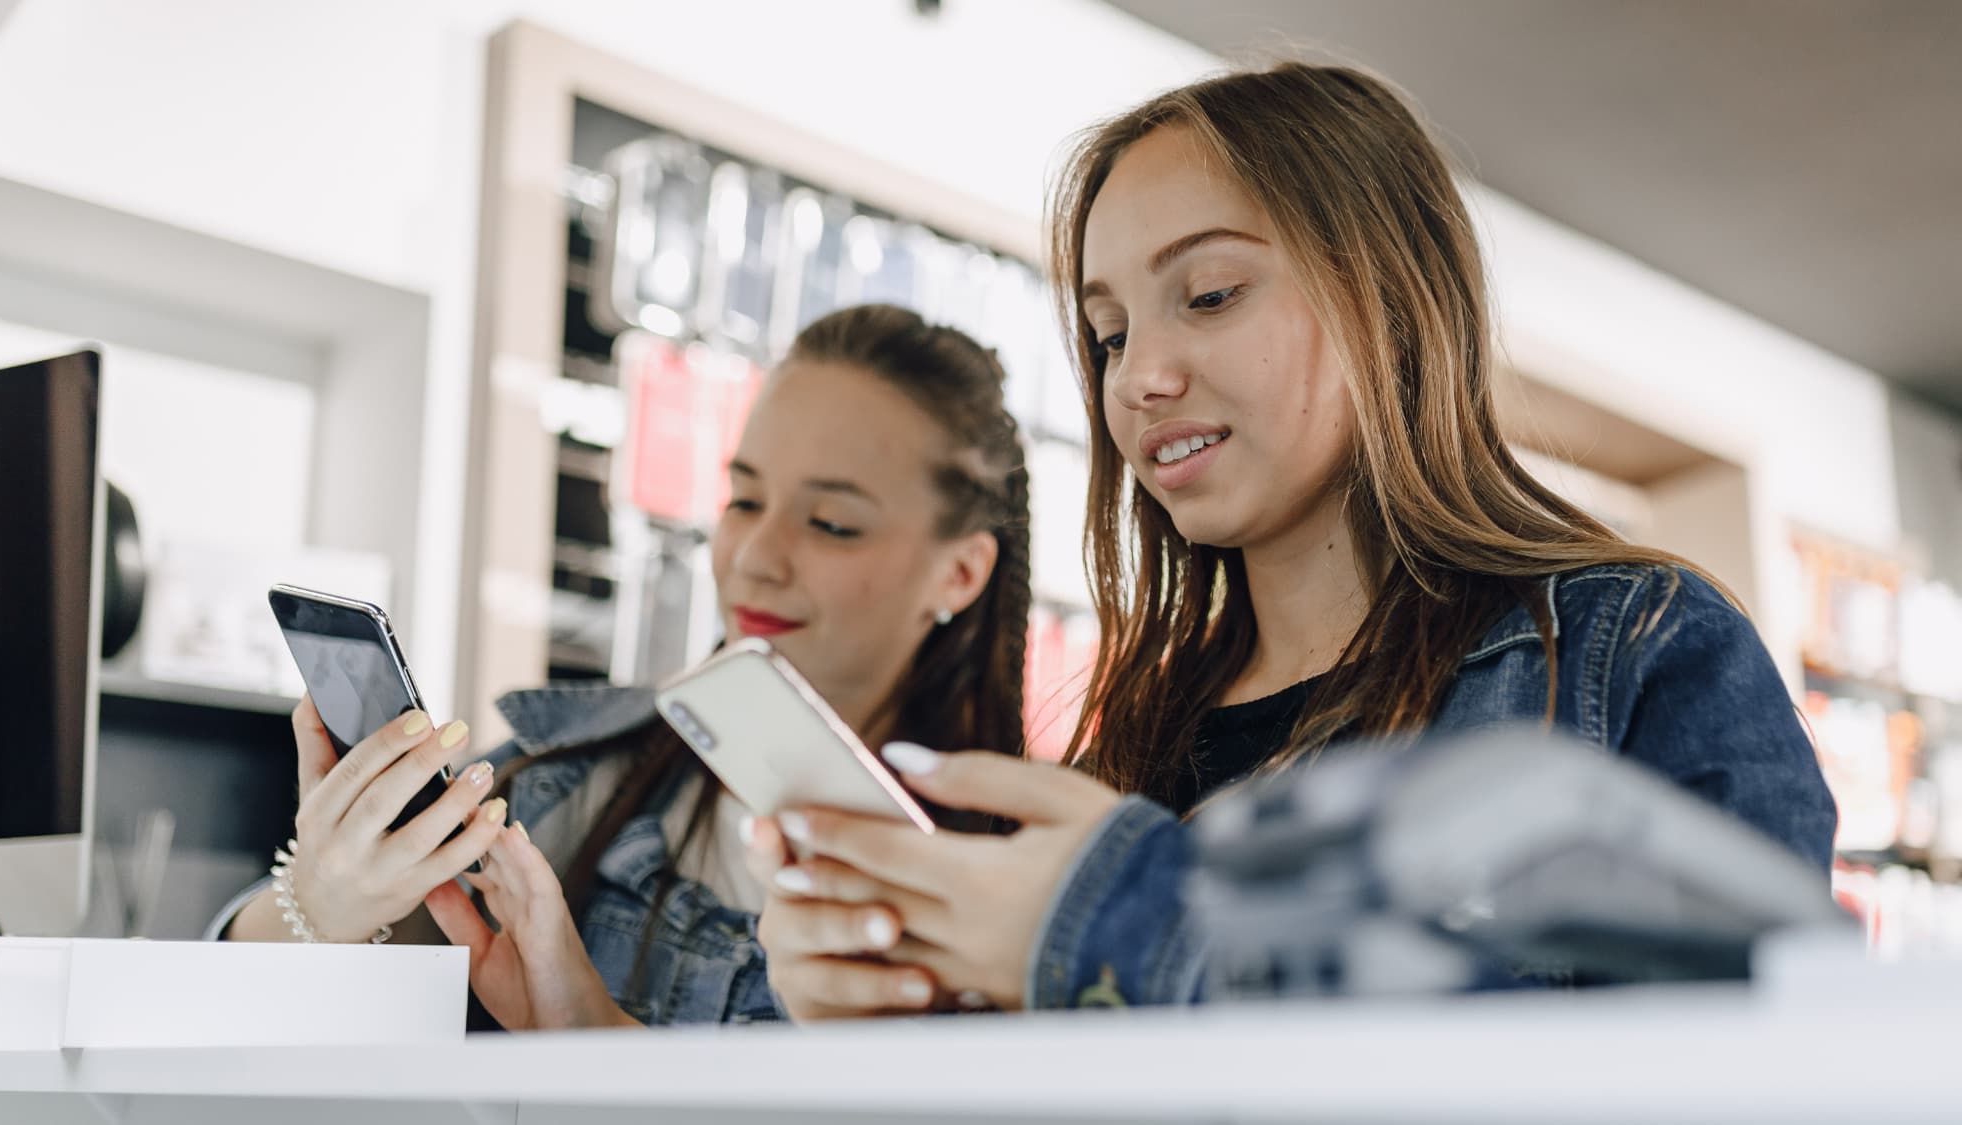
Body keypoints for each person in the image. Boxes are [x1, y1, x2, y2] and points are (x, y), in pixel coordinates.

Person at [742, 59, 1840, 1018]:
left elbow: (1753, 1079)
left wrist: (1132, 924)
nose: (1138, 377)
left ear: (1388, 299)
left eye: (1208, 295)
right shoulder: (1127, 742)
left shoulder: (1634, 648)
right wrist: (898, 1016)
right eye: (1108, 333)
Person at [212, 303, 1034, 1027]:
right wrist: (317, 906)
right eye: (744, 499)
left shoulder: (1028, 887)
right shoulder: (564, 782)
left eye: (829, 522)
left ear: (958, 571)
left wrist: (597, 1041)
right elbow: (218, 1014)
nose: (754, 556)